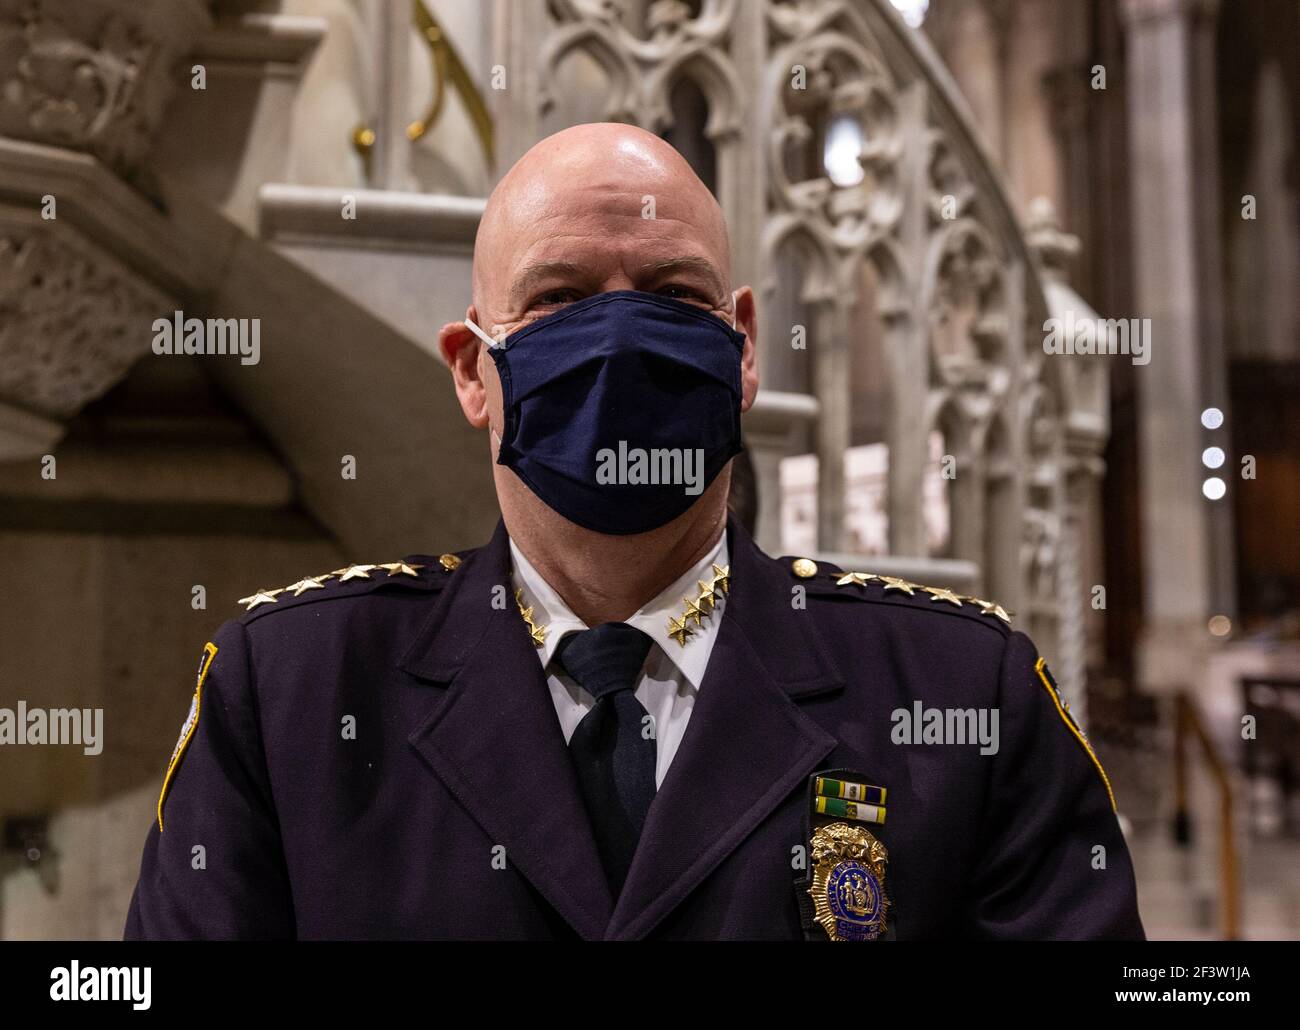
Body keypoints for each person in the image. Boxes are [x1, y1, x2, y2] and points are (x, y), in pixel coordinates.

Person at [125, 123, 1143, 940]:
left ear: (743, 349)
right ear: (470, 370)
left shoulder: (962, 691)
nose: (619, 342)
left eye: (672, 297)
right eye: (560, 298)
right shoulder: (293, 690)